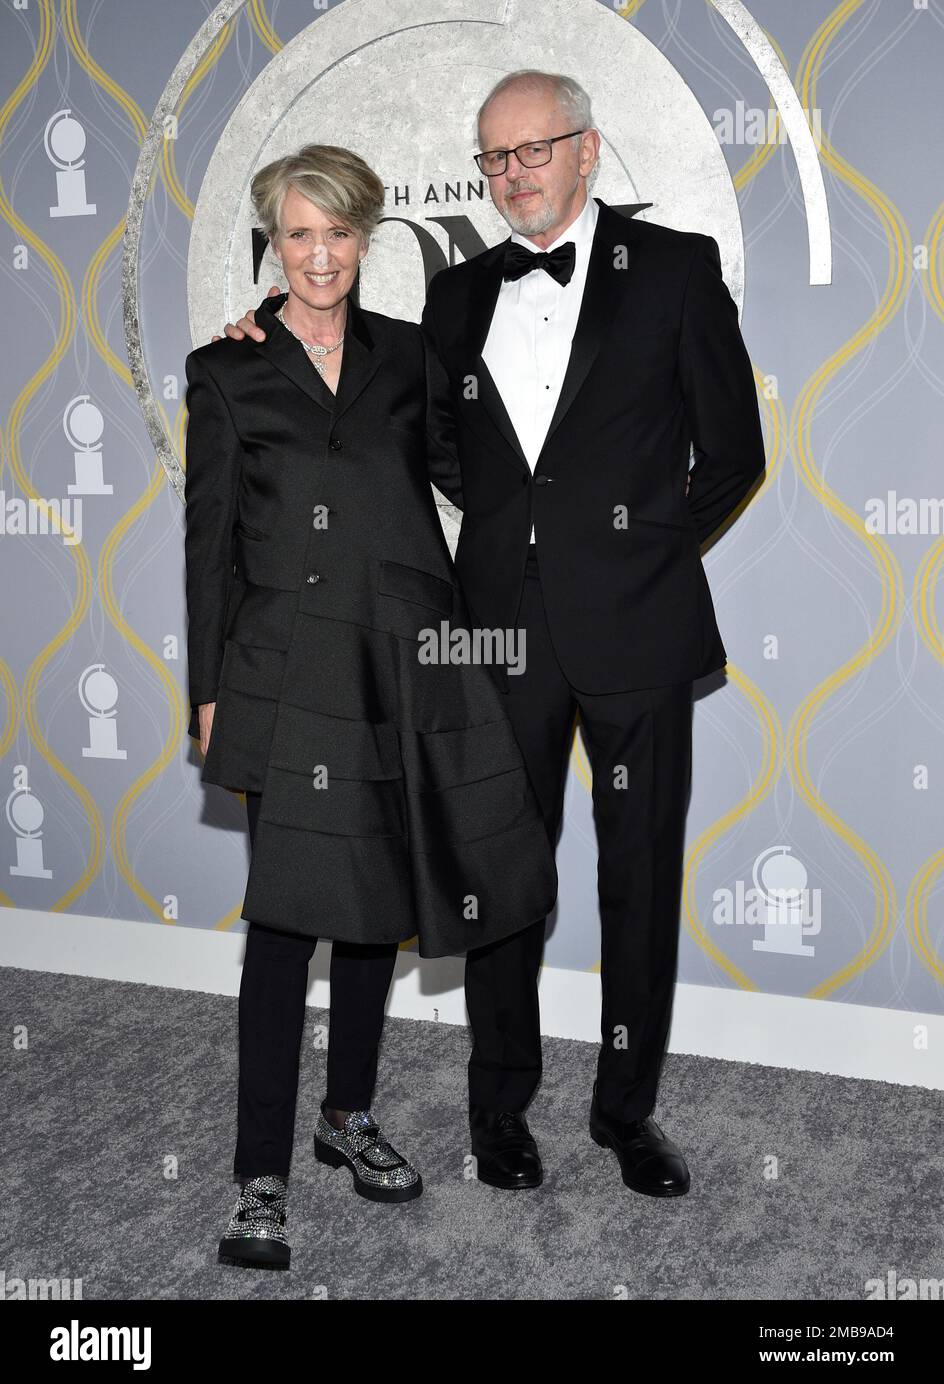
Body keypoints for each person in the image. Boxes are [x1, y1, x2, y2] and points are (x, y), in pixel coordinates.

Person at [221, 71, 767, 1201]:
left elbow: (730, 453)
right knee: (500, 879)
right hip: (490, 643)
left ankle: (626, 1115)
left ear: (585, 148)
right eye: (493, 157)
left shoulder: (671, 271)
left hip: (637, 635)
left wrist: (635, 553)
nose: (512, 173)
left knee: (636, 879)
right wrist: (261, 324)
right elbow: (393, 428)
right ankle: (498, 1113)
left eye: (532, 150)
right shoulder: (456, 298)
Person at [185, 142, 556, 1269]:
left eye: (337, 232)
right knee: (284, 919)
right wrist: (205, 688)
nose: (318, 254)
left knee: (371, 908)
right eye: (297, 234)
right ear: (272, 243)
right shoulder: (227, 367)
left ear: (364, 237)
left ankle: (345, 1116)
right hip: (286, 666)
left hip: (398, 657)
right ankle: (259, 1177)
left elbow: (471, 475)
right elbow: (208, 545)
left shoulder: (409, 357)